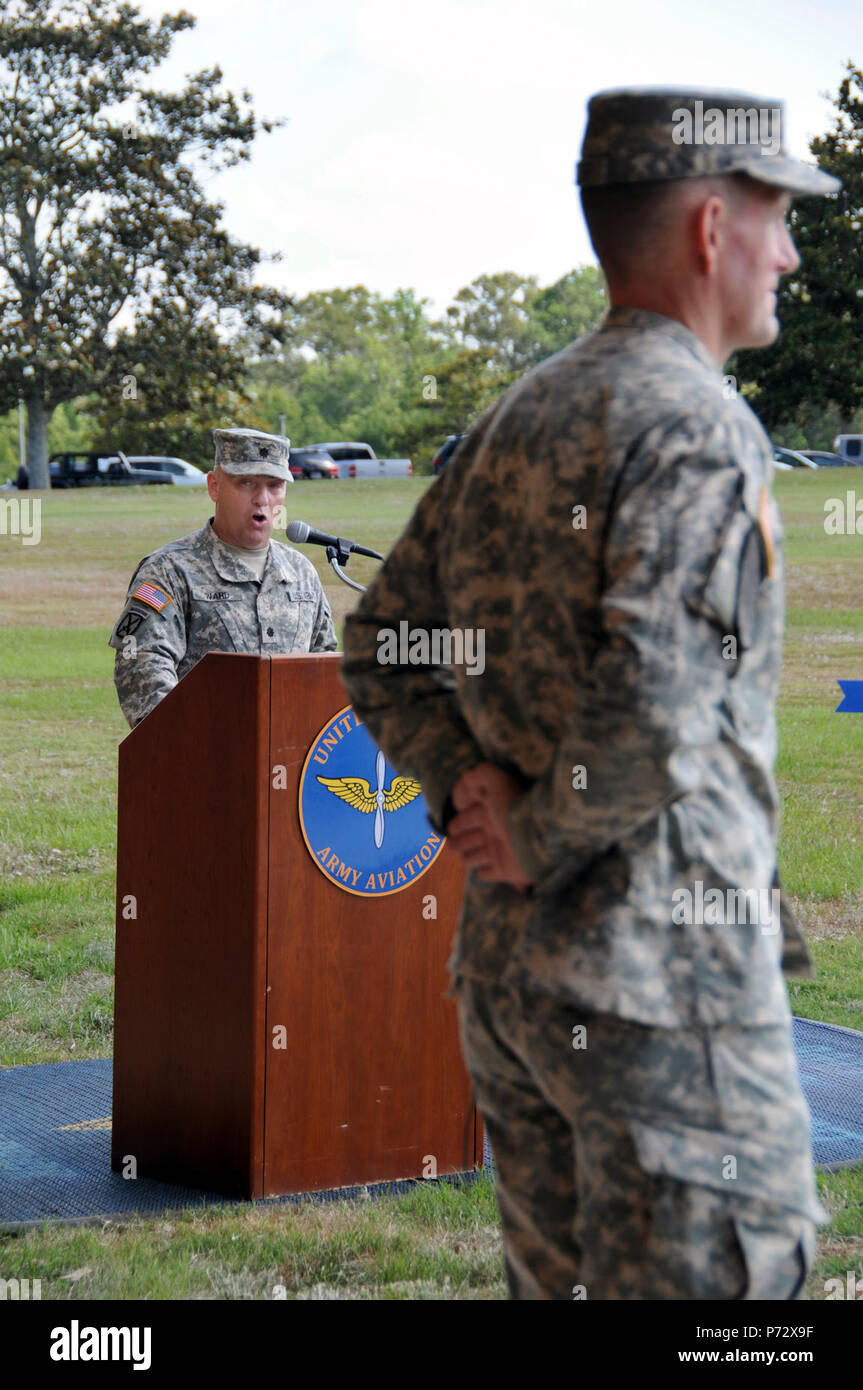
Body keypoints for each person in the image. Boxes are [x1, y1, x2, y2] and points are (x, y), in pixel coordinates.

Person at [340, 88, 840, 1300]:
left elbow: (381, 641)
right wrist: (534, 823)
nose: (788, 250)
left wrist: (473, 787)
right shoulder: (694, 426)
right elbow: (661, 694)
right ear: (710, 230)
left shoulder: (517, 417)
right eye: (776, 216)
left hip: (519, 981)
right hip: (660, 987)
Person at [110, 427, 337, 727]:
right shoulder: (169, 570)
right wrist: (195, 742)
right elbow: (143, 668)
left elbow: (325, 670)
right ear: (214, 486)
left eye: (274, 485)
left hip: (291, 763)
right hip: (203, 759)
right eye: (246, 483)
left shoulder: (301, 573)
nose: (262, 499)